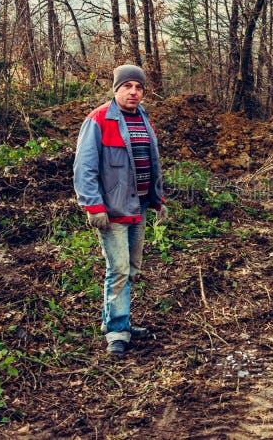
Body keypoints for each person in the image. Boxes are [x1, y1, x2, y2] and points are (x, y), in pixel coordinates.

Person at [73, 64, 168, 356]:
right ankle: (116, 331)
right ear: (116, 89)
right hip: (112, 211)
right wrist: (93, 205)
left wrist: (158, 200)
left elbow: (151, 162)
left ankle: (117, 320)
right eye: (128, 86)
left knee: (132, 270)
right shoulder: (99, 119)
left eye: (139, 87)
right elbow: (84, 168)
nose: (134, 92)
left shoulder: (143, 119)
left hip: (138, 206)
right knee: (119, 270)